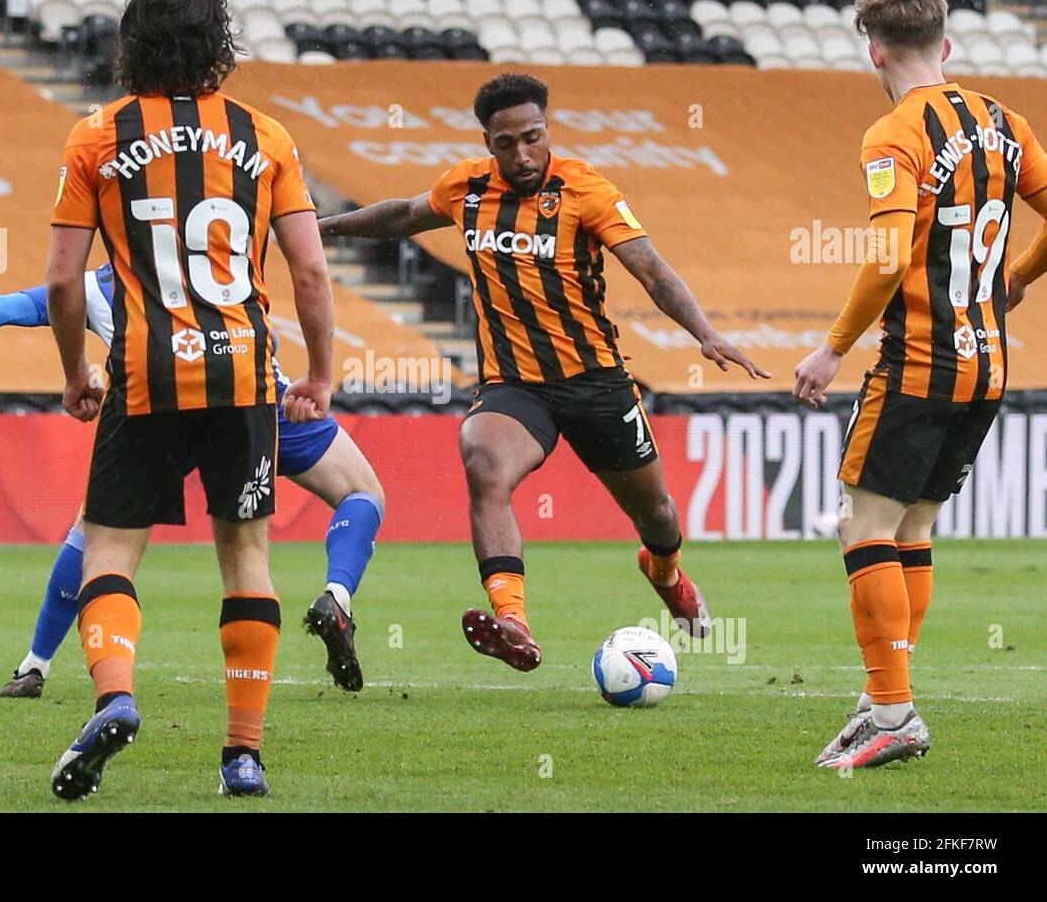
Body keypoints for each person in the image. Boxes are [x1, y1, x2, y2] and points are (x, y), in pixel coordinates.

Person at [318, 72, 768, 672]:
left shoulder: (586, 190)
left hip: (596, 381)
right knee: (482, 461)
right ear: (488, 142)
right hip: (514, 387)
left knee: (656, 515)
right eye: (506, 143)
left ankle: (665, 572)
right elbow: (401, 215)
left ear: (547, 128)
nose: (522, 153)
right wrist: (317, 227)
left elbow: (653, 272)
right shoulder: (466, 189)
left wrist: (706, 335)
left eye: (532, 137)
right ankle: (514, 621)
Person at [41, 0, 335, 799]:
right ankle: (242, 755)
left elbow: (65, 283)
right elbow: (310, 270)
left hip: (144, 376)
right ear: (220, 46)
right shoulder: (266, 136)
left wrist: (75, 372)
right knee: (246, 560)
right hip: (244, 375)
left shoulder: (96, 136)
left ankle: (116, 695)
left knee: (110, 550)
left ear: (132, 46)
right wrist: (318, 372)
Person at [0, 265, 383, 699]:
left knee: (94, 534)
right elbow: (290, 300)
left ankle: (37, 663)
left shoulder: (100, 285)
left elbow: (4, 306)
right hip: (259, 402)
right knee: (357, 495)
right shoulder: (221, 251)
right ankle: (335, 598)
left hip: (169, 414)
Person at [793, 0, 1047, 770]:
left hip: (919, 366)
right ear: (947, 44)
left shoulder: (894, 134)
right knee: (913, 530)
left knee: (861, 528)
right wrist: (1022, 276)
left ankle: (895, 711)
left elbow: (888, 255)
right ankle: (882, 702)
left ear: (873, 49)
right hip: (989, 367)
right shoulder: (1004, 121)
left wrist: (832, 346)